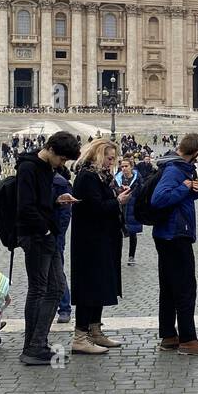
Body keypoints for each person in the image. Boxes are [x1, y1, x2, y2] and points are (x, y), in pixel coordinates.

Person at [15, 131, 81, 366]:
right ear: (51, 150)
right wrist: (44, 231)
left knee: (55, 287)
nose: (62, 164)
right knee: (39, 289)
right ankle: (32, 347)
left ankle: (36, 344)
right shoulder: (29, 168)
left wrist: (56, 201)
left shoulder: (46, 167)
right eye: (62, 159)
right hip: (36, 236)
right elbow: (25, 206)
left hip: (46, 234)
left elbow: (39, 202)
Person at [151, 132, 198, 355]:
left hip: (167, 233)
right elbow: (159, 199)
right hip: (175, 234)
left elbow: (178, 196)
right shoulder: (174, 169)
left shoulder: (173, 166)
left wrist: (192, 191)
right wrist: (184, 187)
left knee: (169, 287)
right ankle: (188, 339)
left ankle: (168, 335)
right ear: (195, 152)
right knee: (186, 287)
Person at [69, 138, 126, 354]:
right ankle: (80, 336)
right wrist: (118, 201)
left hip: (103, 239)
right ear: (98, 155)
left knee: (100, 285)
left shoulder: (102, 177)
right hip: (89, 243)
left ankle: (95, 331)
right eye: (109, 158)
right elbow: (95, 208)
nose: (112, 162)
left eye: (114, 158)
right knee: (90, 287)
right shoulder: (87, 177)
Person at [53, 167, 73, 325]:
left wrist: (58, 235)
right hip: (41, 236)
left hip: (55, 236)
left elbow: (66, 214)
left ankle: (64, 308)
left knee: (58, 272)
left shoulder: (60, 182)